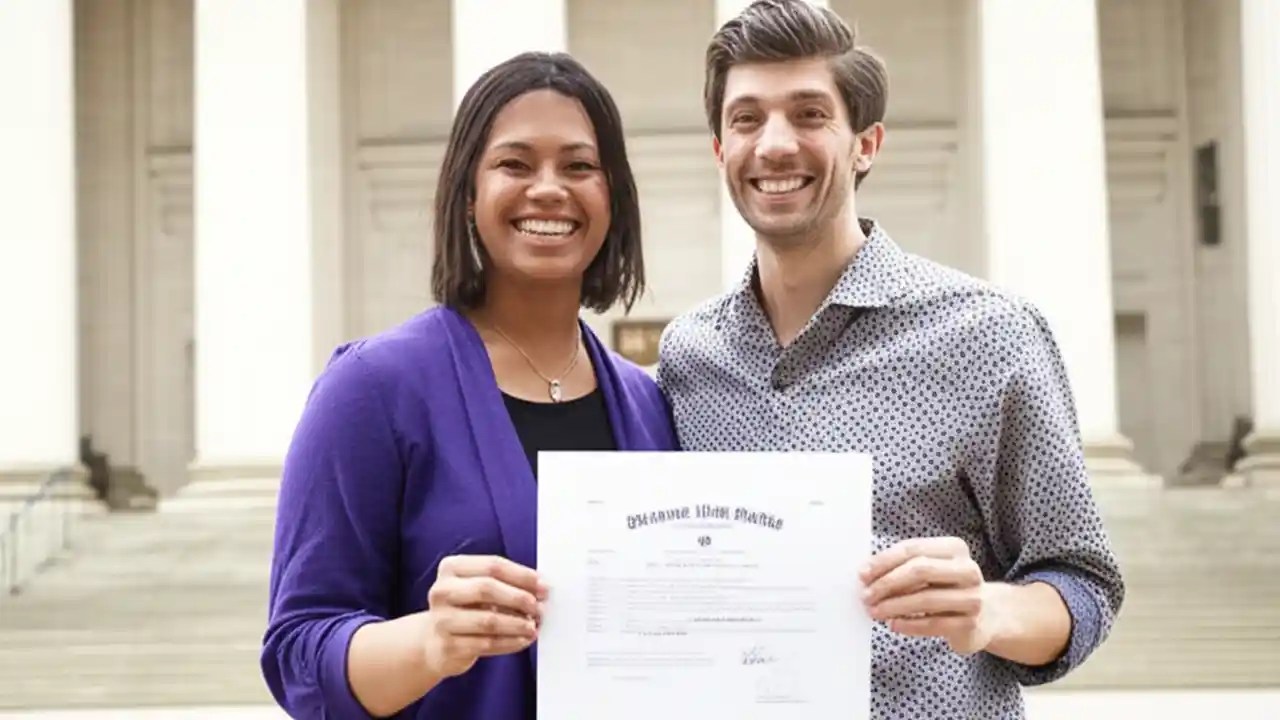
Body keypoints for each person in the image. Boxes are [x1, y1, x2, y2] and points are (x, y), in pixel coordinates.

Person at [657, 1, 1124, 717]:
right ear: (721, 151)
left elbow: (1084, 583)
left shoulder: (989, 334)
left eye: (810, 114)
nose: (774, 144)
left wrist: (987, 614)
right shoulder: (688, 357)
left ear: (866, 144)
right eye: (746, 118)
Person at [261, 52, 677, 719]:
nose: (549, 188)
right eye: (515, 164)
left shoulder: (649, 407)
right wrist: (430, 642)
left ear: (613, 200)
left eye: (578, 166)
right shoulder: (370, 390)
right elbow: (298, 652)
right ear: (466, 198)